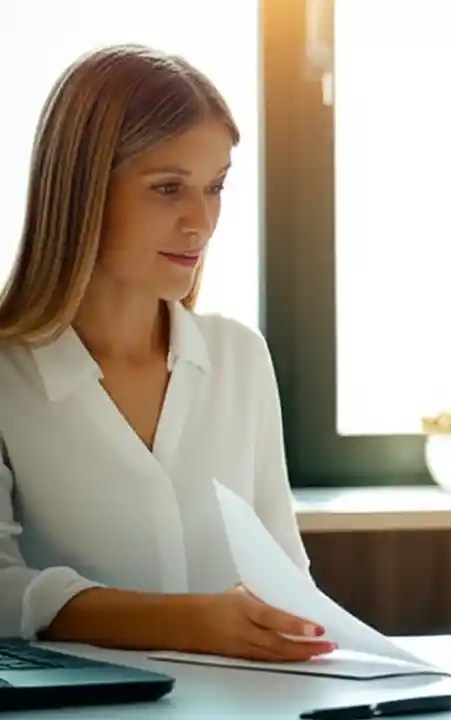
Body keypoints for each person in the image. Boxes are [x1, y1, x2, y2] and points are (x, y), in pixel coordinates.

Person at [0, 44, 336, 663]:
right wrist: (191, 624)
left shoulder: (239, 358)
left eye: (214, 188)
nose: (200, 222)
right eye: (167, 188)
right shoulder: (7, 377)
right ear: (82, 192)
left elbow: (287, 579)